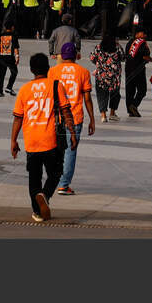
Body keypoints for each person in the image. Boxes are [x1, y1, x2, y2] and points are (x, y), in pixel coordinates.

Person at [10, 53, 63, 222]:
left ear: (32, 70)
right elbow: (66, 111)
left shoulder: (25, 89)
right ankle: (45, 196)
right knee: (55, 172)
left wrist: (13, 140)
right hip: (50, 140)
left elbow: (18, 117)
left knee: (34, 179)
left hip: (31, 142)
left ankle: (37, 211)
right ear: (48, 68)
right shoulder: (56, 85)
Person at [48, 42, 95, 194]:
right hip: (74, 117)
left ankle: (53, 180)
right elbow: (87, 98)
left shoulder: (53, 71)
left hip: (57, 118)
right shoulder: (83, 72)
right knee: (70, 151)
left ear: (61, 55)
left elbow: (48, 95)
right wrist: (92, 119)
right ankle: (64, 184)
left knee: (55, 150)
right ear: (75, 55)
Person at [91, 33, 123, 123]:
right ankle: (112, 113)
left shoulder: (98, 47)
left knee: (101, 95)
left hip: (101, 75)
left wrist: (100, 64)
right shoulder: (117, 47)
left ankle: (103, 115)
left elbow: (92, 58)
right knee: (115, 94)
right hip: (115, 76)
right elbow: (123, 57)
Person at [123, 29, 152, 118]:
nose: (145, 35)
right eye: (143, 33)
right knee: (142, 90)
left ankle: (130, 110)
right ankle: (134, 105)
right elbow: (145, 56)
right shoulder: (142, 42)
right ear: (137, 34)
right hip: (139, 70)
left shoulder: (129, 43)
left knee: (129, 91)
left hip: (128, 69)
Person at [0, 17, 21, 97]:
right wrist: (17, 57)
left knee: (1, 74)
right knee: (14, 72)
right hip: (10, 58)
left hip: (1, 58)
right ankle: (9, 87)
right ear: (12, 27)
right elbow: (15, 48)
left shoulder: (1, 35)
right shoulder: (14, 36)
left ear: (5, 27)